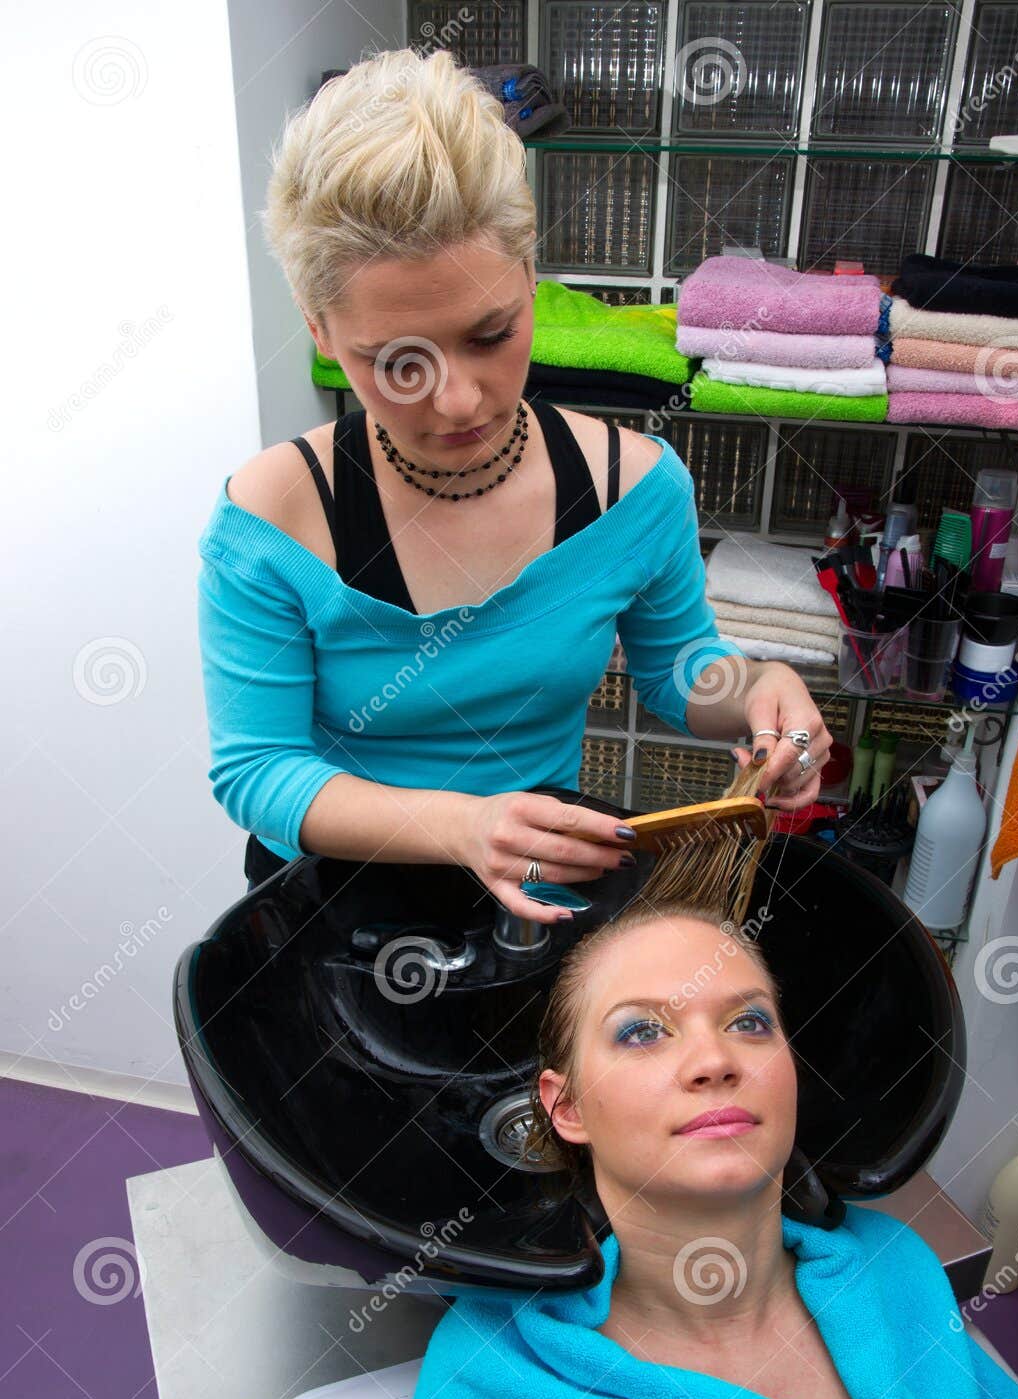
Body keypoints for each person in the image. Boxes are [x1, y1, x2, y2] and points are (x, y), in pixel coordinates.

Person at [196, 47, 831, 902]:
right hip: (330, 906)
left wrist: (762, 689)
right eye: (395, 362)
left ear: (531, 285)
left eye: (490, 335)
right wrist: (462, 826)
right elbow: (257, 770)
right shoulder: (273, 518)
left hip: (537, 883)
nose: (457, 401)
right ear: (319, 332)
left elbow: (678, 671)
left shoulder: (632, 490)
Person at [366, 900, 1018, 1399]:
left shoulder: (891, 1270)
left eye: (750, 1023)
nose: (713, 1061)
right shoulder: (495, 1389)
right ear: (564, 1106)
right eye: (641, 1031)